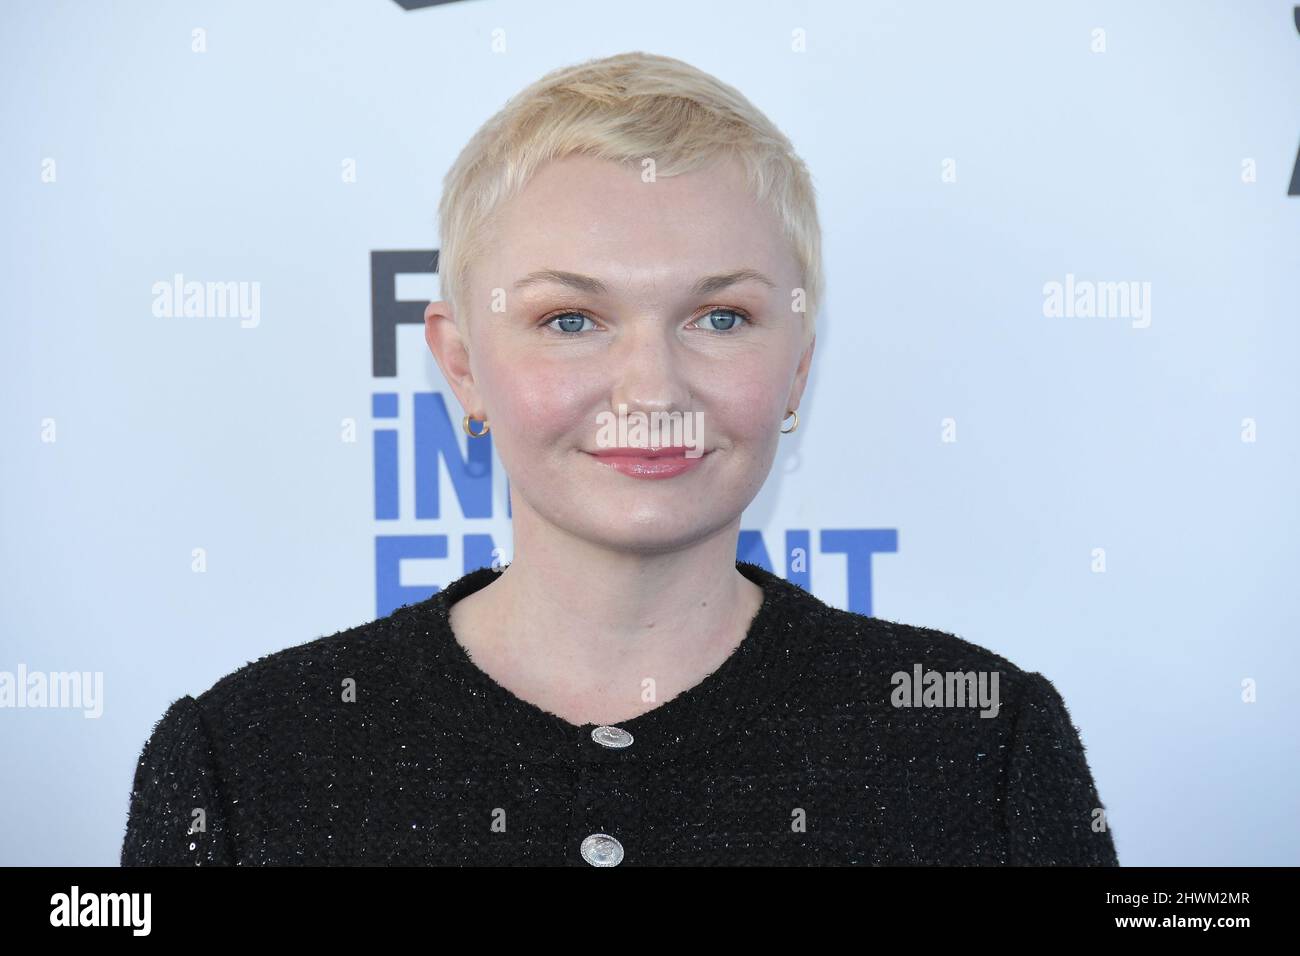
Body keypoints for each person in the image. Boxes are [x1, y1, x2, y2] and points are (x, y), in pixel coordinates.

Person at [121, 51, 1118, 866]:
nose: (651, 389)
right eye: (570, 319)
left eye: (720, 315)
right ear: (461, 366)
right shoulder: (247, 760)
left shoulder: (981, 742)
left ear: (797, 370)